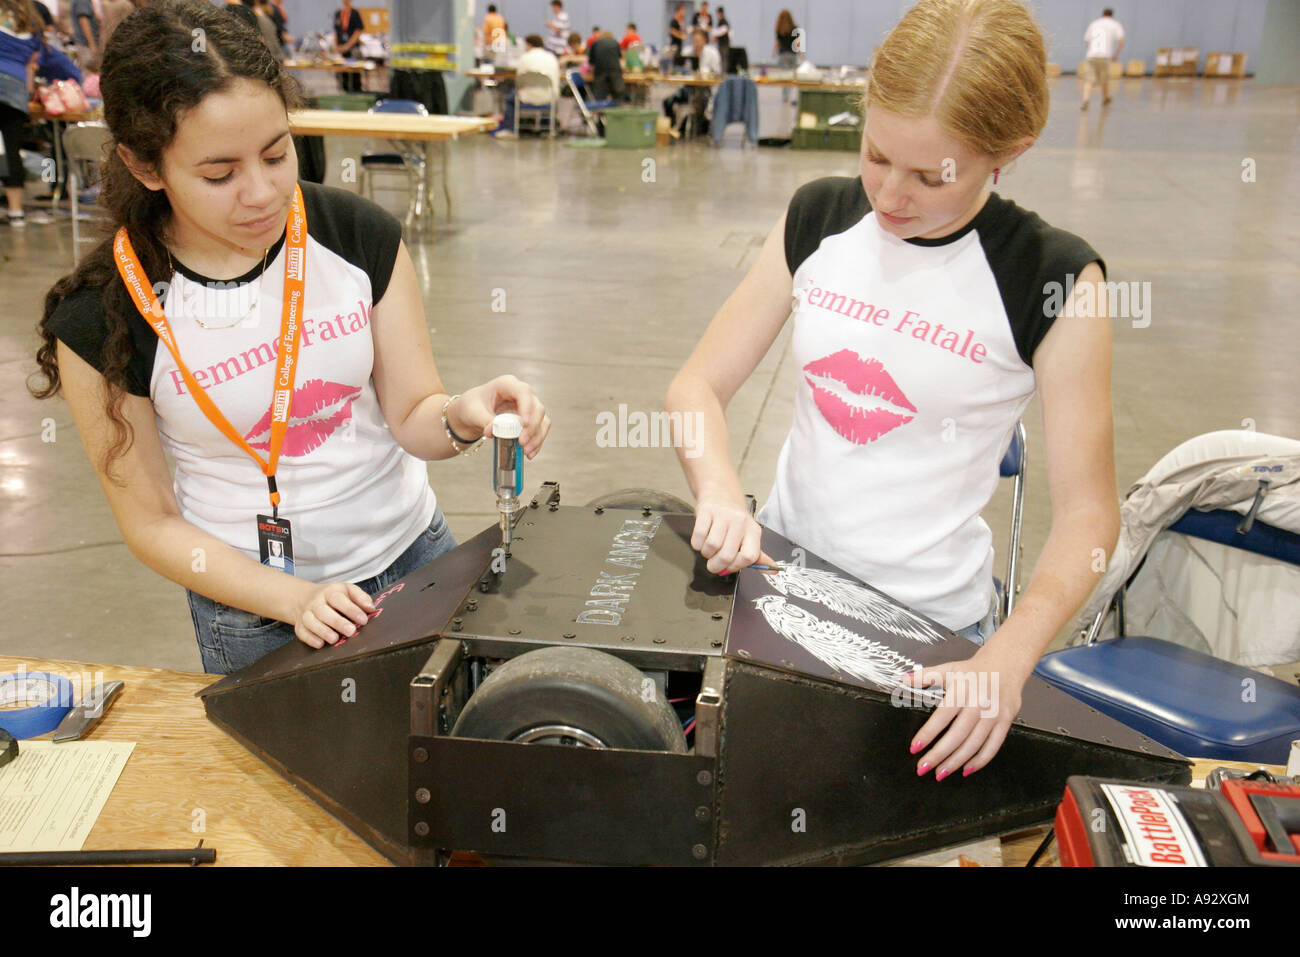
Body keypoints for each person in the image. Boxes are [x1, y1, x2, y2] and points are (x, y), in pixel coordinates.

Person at [30, 1, 551, 675]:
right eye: (219, 174)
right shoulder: (103, 314)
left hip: (416, 558)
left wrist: (463, 415)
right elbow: (152, 521)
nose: (263, 193)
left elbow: (413, 414)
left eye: (277, 154)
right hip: (256, 613)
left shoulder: (355, 235)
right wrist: (295, 598)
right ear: (145, 166)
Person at [665, 0, 1116, 779]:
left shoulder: (1053, 277)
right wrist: (717, 491)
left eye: (931, 175)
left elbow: (1090, 513)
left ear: (1010, 151)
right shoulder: (819, 217)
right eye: (876, 154)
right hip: (777, 587)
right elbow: (698, 384)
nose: (890, 195)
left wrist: (1009, 655)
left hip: (928, 636)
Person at [0, 0, 49, 226]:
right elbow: (31, 66)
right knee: (12, 149)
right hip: (16, 89)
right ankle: (16, 211)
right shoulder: (32, 23)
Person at [499, 33, 558, 136]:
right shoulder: (551, 58)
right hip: (549, 97)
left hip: (527, 96)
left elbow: (519, 82)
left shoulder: (524, 58)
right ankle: (546, 128)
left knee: (509, 99)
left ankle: (510, 130)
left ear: (529, 45)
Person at [1082, 7, 1124, 109]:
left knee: (1089, 79)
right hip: (1105, 55)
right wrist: (1116, 54)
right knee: (1104, 79)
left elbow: (1087, 40)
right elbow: (1121, 40)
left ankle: (1085, 100)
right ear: (1112, 15)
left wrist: (1089, 51)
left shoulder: (1094, 23)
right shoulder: (1115, 24)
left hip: (1092, 55)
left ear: (1102, 14)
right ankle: (1105, 98)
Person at [333, 0, 363, 91]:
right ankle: (344, 91)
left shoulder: (355, 13)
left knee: (353, 74)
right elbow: (335, 32)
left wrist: (347, 46)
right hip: (341, 50)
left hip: (352, 50)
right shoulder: (338, 13)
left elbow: (358, 31)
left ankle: (355, 92)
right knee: (342, 74)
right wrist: (336, 46)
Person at [586, 29, 624, 102]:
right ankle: (618, 109)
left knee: (600, 95)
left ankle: (600, 111)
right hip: (614, 70)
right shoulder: (615, 43)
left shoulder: (596, 43)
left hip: (600, 71)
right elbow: (620, 58)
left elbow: (591, 61)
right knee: (618, 93)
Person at [711, 6, 730, 72]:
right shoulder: (720, 21)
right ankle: (721, 71)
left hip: (724, 44)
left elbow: (723, 31)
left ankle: (723, 72)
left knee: (724, 58)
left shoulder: (724, 21)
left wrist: (715, 34)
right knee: (721, 58)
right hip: (721, 43)